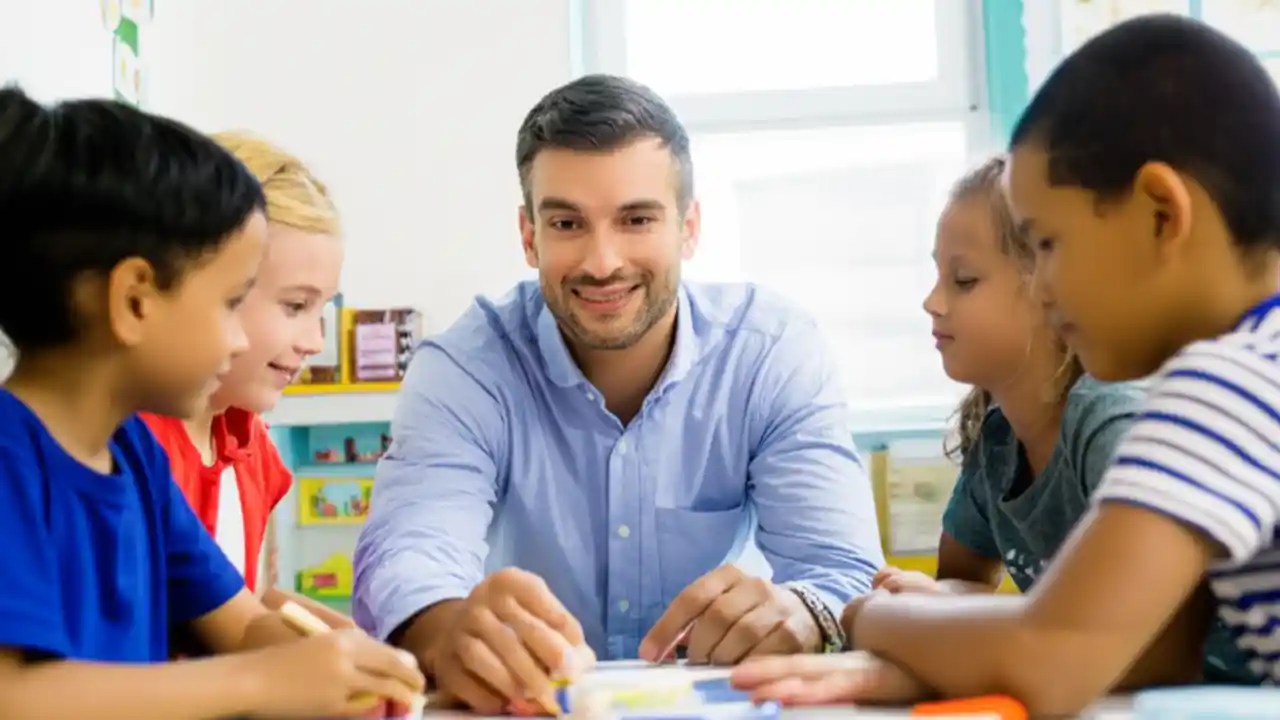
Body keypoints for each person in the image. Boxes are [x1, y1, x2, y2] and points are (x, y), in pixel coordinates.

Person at [731, 14, 1280, 715]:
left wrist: (862, 619)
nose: (1042, 288)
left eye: (1048, 244)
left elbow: (1056, 656)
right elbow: (1158, 647)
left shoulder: (1228, 388)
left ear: (1160, 215)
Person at [352, 73, 883, 714]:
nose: (603, 261)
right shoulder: (464, 368)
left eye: (636, 219)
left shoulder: (770, 350)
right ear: (530, 237)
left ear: (688, 228)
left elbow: (843, 569)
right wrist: (445, 628)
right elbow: (410, 554)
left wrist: (807, 610)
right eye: (568, 223)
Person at [0, 87, 422, 718]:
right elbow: (13, 698)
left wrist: (345, 670)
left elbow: (243, 623)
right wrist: (263, 684)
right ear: (135, 300)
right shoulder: (11, 459)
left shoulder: (131, 454)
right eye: (231, 302)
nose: (236, 337)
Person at [871, 156, 1253, 683]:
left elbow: (1145, 644)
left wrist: (884, 621)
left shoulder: (1114, 420)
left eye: (963, 279)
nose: (931, 302)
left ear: (1049, 287)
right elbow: (962, 584)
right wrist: (928, 604)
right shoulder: (997, 439)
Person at [141, 131, 349, 628]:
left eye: (323, 310)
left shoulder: (249, 444)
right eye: (295, 306)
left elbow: (245, 600)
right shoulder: (134, 445)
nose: (315, 342)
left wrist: (359, 643)